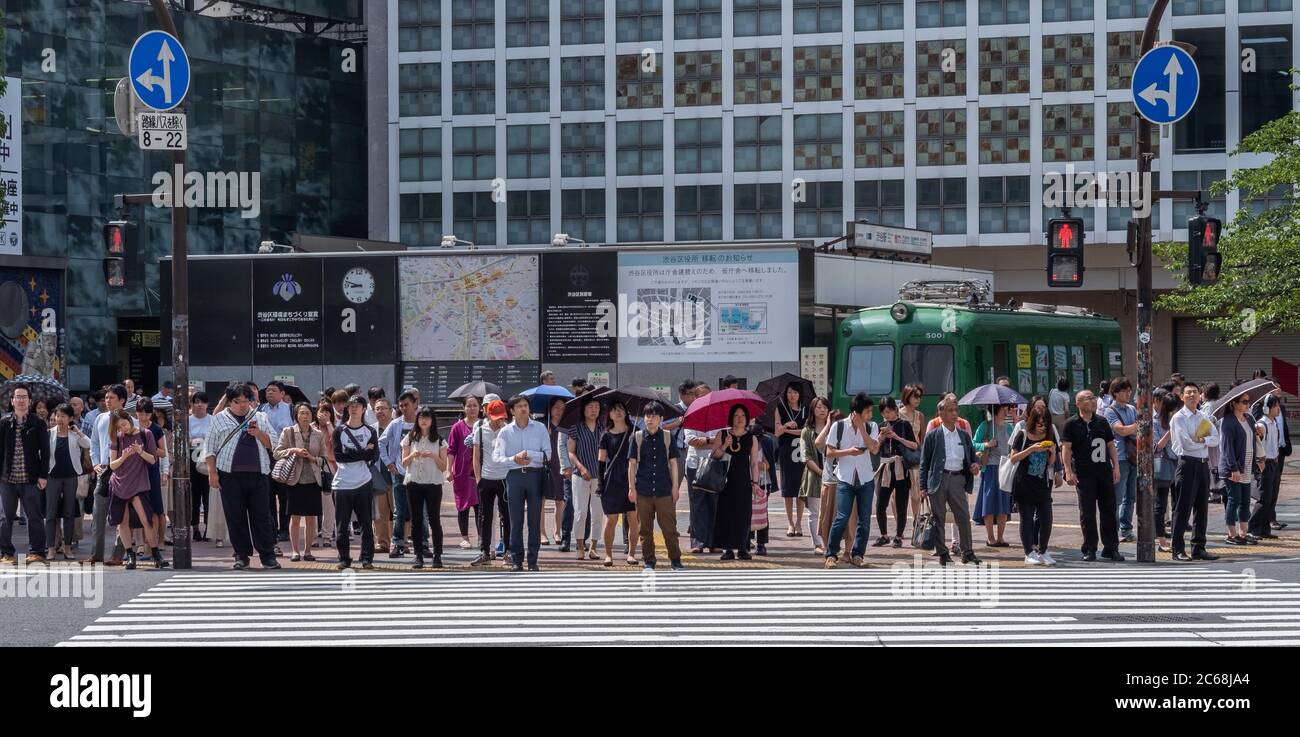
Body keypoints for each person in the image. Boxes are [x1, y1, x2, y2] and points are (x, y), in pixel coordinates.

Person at [204, 385, 281, 570]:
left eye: (246, 401)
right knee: (235, 516)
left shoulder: (260, 417)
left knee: (262, 516)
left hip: (258, 473)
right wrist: (212, 472)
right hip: (229, 474)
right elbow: (210, 448)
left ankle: (267, 555)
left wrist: (259, 434)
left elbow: (275, 444)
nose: (242, 405)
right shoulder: (218, 419)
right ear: (230, 402)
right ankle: (241, 555)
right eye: (238, 401)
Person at [1062, 390, 1124, 562]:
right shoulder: (1071, 424)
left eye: (1093, 398)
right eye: (1088, 399)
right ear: (1079, 403)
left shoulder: (1102, 422)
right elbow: (1066, 448)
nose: (1093, 401)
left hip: (1103, 472)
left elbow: (1111, 445)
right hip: (1084, 473)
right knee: (1087, 512)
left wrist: (1116, 467)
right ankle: (1089, 548)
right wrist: (1068, 470)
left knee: (1109, 511)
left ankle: (1111, 548)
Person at [918, 397, 981, 566]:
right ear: (941, 413)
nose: (954, 414)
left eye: (956, 410)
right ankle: (943, 553)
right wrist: (923, 486)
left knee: (963, 516)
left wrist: (974, 465)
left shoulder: (963, 435)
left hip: (958, 478)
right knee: (939, 517)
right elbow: (924, 462)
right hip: (939, 479)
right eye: (950, 410)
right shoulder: (933, 435)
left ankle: (967, 552)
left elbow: (971, 456)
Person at [493, 395, 552, 572]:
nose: (523, 409)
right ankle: (517, 559)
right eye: (518, 406)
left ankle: (533, 560)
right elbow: (497, 457)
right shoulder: (505, 431)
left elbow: (548, 454)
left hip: (535, 475)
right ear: (512, 411)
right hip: (515, 476)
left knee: (534, 520)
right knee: (515, 520)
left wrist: (530, 455)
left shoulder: (540, 428)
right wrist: (514, 458)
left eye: (525, 405)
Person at [822, 393, 881, 568]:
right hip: (845, 477)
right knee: (842, 516)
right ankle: (831, 554)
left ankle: (858, 554)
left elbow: (874, 449)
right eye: (868, 411)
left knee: (865, 518)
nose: (871, 415)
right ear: (857, 412)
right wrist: (848, 451)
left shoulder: (871, 426)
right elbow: (829, 452)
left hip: (865, 478)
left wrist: (862, 428)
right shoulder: (838, 426)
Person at [107, 409, 168, 570]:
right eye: (119, 427)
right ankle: (130, 555)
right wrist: (125, 456)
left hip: (139, 483)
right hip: (119, 483)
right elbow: (112, 465)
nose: (123, 429)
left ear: (130, 420)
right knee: (123, 522)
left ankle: (156, 554)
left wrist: (140, 451)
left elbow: (153, 459)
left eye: (124, 424)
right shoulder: (117, 438)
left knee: (146, 519)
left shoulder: (145, 434)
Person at [626, 402, 683, 570]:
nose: (650, 419)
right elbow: (632, 464)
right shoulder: (636, 437)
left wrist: (675, 487)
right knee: (645, 529)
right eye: (648, 416)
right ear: (644, 418)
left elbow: (673, 463)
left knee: (669, 528)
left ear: (661, 419)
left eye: (654, 416)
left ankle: (675, 560)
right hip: (643, 489)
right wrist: (631, 487)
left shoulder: (667, 437)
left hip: (664, 489)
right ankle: (649, 561)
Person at [1168, 382, 1221, 561]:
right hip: (1187, 464)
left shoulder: (1203, 416)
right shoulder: (1178, 418)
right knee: (1182, 508)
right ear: (1182, 397)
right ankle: (1177, 549)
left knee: (1202, 508)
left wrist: (1200, 439)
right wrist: (1203, 441)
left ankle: (1199, 548)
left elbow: (1216, 438)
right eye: (1188, 393)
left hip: (1203, 464)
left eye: (1195, 392)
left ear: (1200, 395)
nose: (1192, 395)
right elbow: (1184, 443)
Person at [0, 386, 51, 565]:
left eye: (24, 397)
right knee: (6, 517)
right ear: (12, 401)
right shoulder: (4, 422)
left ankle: (37, 551)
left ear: (30, 401)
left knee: (34, 516)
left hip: (31, 477)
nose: (21, 400)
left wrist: (43, 476)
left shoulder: (37, 423)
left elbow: (45, 452)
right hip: (8, 478)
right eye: (17, 397)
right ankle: (6, 552)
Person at [331, 396, 379, 570]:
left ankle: (367, 558)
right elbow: (338, 456)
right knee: (342, 525)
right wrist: (362, 453)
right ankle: (344, 558)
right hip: (342, 483)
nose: (354, 408)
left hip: (363, 481)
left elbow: (373, 456)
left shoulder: (370, 431)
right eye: (351, 405)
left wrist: (351, 453)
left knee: (366, 523)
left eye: (358, 406)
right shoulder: (339, 431)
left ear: (364, 409)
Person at [273, 402, 326, 562]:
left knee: (311, 518)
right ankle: (296, 551)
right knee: (295, 517)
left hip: (313, 480)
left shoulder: (318, 434)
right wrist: (294, 451)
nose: (305, 416)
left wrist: (312, 458)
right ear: (296, 415)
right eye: (302, 413)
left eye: (308, 413)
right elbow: (276, 453)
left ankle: (308, 551)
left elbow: (323, 460)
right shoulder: (288, 432)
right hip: (294, 479)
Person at [709, 404, 762, 561]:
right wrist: (725, 445)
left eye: (743, 416)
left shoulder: (751, 438)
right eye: (736, 415)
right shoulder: (723, 434)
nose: (739, 419)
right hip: (725, 481)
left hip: (744, 480)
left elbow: (754, 462)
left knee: (743, 515)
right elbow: (714, 455)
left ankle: (743, 548)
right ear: (731, 418)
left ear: (747, 419)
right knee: (725, 514)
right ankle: (728, 549)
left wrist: (755, 483)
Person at [1007, 402, 1057, 565]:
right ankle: (1028, 552)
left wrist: (1052, 453)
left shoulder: (1049, 436)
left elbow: (1050, 463)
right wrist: (1031, 449)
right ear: (1032, 422)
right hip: (1024, 484)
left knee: (1046, 518)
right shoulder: (1022, 435)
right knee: (1026, 519)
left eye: (1046, 424)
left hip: (1042, 484)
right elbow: (1013, 458)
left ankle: (1043, 550)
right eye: (1040, 424)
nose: (1043, 427)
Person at [401, 406, 448, 569]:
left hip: (433, 483)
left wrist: (434, 455)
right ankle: (418, 556)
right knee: (416, 520)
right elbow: (403, 462)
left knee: (434, 520)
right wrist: (412, 455)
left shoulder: (440, 440)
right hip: (413, 482)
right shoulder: (410, 438)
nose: (424, 420)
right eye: (421, 417)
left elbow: (443, 467)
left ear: (432, 420)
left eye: (427, 417)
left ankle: (437, 556)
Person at [45, 404, 90, 561]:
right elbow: (41, 455)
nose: (60, 419)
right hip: (52, 477)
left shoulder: (74, 435)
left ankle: (68, 548)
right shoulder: (48, 434)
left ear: (71, 418)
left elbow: (89, 444)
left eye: (64, 416)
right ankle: (51, 548)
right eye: (58, 416)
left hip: (71, 477)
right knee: (50, 513)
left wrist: (77, 431)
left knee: (69, 513)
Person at [597, 401, 640, 566]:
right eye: (614, 410)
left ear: (626, 412)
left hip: (632, 478)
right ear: (609, 414)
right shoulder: (606, 435)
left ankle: (631, 553)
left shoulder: (635, 432)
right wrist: (600, 484)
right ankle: (608, 555)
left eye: (621, 409)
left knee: (633, 517)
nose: (618, 412)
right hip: (612, 479)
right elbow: (601, 462)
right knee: (611, 519)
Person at [470, 399, 511, 566]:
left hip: (505, 478)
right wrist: (479, 479)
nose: (498, 420)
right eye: (496, 416)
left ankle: (508, 550)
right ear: (487, 413)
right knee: (485, 516)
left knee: (507, 516)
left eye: (501, 416)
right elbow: (476, 457)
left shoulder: (508, 430)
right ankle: (485, 551)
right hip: (486, 478)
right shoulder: (480, 431)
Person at [872, 396, 917, 548]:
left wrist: (897, 437)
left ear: (896, 409)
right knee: (880, 503)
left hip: (901, 466)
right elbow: (874, 449)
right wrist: (880, 438)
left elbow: (914, 445)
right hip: (885, 466)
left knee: (901, 503)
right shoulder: (880, 426)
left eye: (890, 412)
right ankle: (884, 535)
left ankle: (898, 536)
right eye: (884, 413)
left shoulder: (904, 425)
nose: (887, 416)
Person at [567, 394, 605, 561]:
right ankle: (580, 547)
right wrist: (581, 468)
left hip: (599, 476)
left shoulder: (603, 428)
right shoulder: (576, 427)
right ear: (583, 409)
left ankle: (594, 547)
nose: (594, 410)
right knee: (580, 512)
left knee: (597, 513)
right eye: (590, 406)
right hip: (580, 476)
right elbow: (571, 452)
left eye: (597, 407)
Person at [1101, 377, 1138, 542]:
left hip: (1133, 457)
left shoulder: (1132, 409)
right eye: (1124, 390)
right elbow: (1120, 431)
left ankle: (1126, 528)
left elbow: (1131, 431)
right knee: (1117, 497)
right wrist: (1138, 426)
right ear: (1115, 393)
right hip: (1120, 457)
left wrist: (1134, 429)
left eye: (1129, 390)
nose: (1128, 393)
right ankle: (1113, 531)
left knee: (1131, 496)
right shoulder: (1109, 411)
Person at [971, 403, 1013, 547]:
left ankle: (1000, 537)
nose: (1006, 411)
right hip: (989, 468)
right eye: (1004, 409)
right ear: (995, 410)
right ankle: (990, 537)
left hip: (1005, 467)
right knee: (988, 502)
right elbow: (973, 444)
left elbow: (1014, 446)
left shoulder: (1009, 427)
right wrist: (987, 445)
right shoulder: (986, 426)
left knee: (1003, 503)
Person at [380, 391, 417, 557]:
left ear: (415, 404)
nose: (403, 408)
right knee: (399, 511)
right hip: (400, 473)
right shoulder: (395, 424)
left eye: (406, 405)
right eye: (401, 406)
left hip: (420, 474)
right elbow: (381, 443)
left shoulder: (422, 421)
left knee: (420, 510)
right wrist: (388, 462)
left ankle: (421, 543)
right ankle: (398, 543)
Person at [684, 384, 719, 553]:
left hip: (714, 464)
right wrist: (710, 440)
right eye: (702, 397)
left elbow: (722, 439)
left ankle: (713, 542)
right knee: (697, 503)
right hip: (694, 465)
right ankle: (698, 542)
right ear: (696, 398)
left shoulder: (719, 416)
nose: (707, 400)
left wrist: (705, 441)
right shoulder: (691, 415)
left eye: (709, 396)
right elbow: (692, 441)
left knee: (714, 503)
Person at [1219, 392, 1256, 546]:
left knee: (1245, 500)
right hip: (1233, 465)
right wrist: (1233, 468)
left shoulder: (1248, 419)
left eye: (1248, 401)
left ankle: (1243, 533)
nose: (1247, 404)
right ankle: (1231, 534)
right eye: (1244, 402)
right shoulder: (1228, 421)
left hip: (1246, 463)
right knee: (1234, 499)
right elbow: (1227, 448)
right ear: (1234, 403)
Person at [772, 382, 808, 539]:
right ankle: (790, 523)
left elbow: (807, 431)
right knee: (787, 489)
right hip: (786, 452)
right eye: (789, 392)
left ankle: (799, 522)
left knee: (801, 488)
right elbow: (777, 432)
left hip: (802, 452)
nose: (792, 395)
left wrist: (789, 430)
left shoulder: (806, 409)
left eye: (795, 392)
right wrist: (786, 425)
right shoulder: (779, 409)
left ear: (800, 394)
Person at [446, 395, 481, 551]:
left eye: (475, 405)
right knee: (462, 506)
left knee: (480, 506)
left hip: (480, 472)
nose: (472, 408)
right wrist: (448, 469)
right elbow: (451, 450)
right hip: (462, 472)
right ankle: (465, 538)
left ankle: (482, 537)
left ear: (480, 408)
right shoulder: (457, 427)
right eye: (469, 405)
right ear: (464, 408)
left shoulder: (484, 425)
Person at [1249, 394, 1284, 540]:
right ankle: (1253, 528)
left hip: (1273, 462)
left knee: (1271, 498)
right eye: (1275, 406)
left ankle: (1264, 528)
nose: (1278, 408)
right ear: (1266, 408)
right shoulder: (1261, 424)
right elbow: (1257, 446)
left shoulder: (1273, 422)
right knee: (1263, 498)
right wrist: (1261, 465)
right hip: (1264, 463)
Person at [800, 397, 831, 553]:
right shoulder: (806, 431)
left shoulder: (833, 429)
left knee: (830, 510)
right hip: (814, 475)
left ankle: (828, 542)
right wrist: (821, 472)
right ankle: (817, 544)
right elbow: (805, 457)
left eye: (825, 407)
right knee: (814, 511)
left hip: (832, 476)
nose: (822, 410)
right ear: (813, 409)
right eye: (819, 407)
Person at [1154, 391, 1180, 552]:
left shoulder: (1181, 420)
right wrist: (1171, 431)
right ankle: (1161, 540)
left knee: (1178, 505)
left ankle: (1176, 537)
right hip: (1163, 464)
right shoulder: (1155, 422)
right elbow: (1157, 446)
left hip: (1179, 464)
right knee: (1160, 505)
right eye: (1175, 409)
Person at [370, 398, 395, 553]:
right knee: (380, 512)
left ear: (391, 410)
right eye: (377, 409)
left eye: (383, 408)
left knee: (399, 511)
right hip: (377, 476)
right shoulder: (371, 430)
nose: (380, 411)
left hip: (395, 474)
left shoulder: (397, 427)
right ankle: (382, 542)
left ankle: (399, 541)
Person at [544, 396, 568, 546]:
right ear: (550, 409)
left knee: (560, 500)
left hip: (561, 466)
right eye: (556, 407)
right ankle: (542, 533)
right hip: (546, 466)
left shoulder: (567, 426)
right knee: (541, 501)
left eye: (562, 408)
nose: (559, 411)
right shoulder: (543, 426)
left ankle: (557, 531)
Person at [313, 402, 337, 548]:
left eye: (328, 412)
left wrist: (328, 424)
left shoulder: (333, 428)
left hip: (330, 467)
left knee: (329, 504)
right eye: (322, 411)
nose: (324, 414)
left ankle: (327, 535)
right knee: (313, 503)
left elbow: (337, 442)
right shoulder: (311, 427)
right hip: (313, 466)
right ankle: (313, 536)